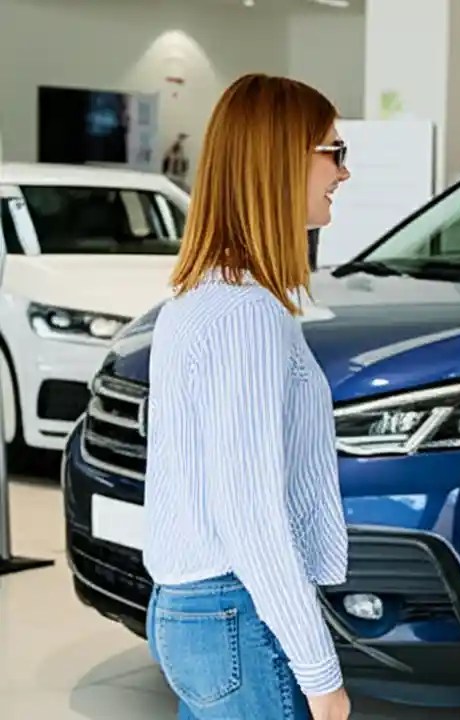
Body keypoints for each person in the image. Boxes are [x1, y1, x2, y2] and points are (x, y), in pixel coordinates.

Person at [141, 73, 352, 720]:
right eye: (333, 153)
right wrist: (323, 680)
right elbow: (252, 514)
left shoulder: (204, 296)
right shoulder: (243, 314)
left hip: (203, 612)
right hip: (234, 614)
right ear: (283, 159)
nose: (343, 174)